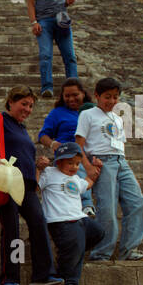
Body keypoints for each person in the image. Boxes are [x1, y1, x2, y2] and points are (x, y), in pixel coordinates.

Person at [0, 86, 62, 285]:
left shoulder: (22, 129)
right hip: (6, 182)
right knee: (12, 229)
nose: (28, 109)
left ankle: (43, 275)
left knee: (39, 224)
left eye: (31, 106)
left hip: (27, 186)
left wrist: (37, 168)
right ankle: (11, 277)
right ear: (11, 102)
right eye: (24, 104)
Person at [76, 77, 143, 261]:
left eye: (115, 97)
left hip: (121, 162)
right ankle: (101, 252)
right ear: (96, 96)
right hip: (102, 162)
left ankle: (129, 249)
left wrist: (128, 172)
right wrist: (87, 167)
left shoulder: (117, 118)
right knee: (107, 208)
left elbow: (119, 147)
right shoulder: (88, 115)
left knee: (137, 203)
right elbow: (78, 145)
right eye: (107, 97)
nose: (111, 101)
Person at [40, 142, 104, 285]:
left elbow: (87, 183)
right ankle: (69, 280)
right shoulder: (49, 173)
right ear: (59, 161)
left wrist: (96, 169)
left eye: (77, 164)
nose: (74, 167)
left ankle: (70, 250)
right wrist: (38, 168)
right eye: (70, 163)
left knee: (98, 232)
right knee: (75, 243)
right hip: (61, 220)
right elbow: (36, 184)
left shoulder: (75, 178)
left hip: (80, 218)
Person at [36, 79, 98, 214]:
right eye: (67, 96)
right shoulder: (57, 113)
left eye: (75, 95)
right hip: (68, 153)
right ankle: (86, 205)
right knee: (76, 163)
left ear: (83, 93)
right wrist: (53, 143)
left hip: (93, 152)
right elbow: (43, 135)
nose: (71, 99)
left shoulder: (93, 110)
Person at [25, 0, 78, 97]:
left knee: (70, 56)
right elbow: (30, 3)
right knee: (45, 55)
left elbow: (64, 0)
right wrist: (34, 22)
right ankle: (47, 87)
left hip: (61, 19)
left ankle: (74, 87)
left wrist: (68, 3)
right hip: (44, 21)